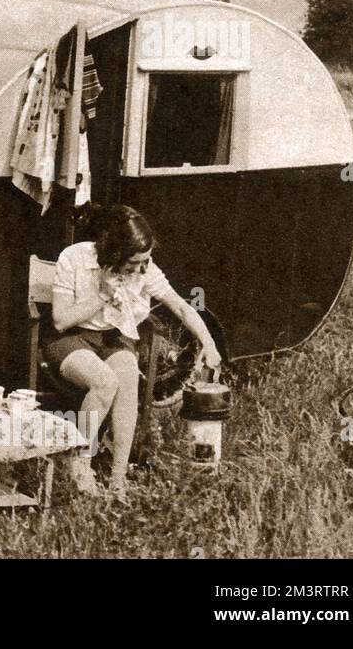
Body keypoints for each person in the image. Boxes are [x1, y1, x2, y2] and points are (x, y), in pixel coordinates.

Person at [46, 204, 221, 498]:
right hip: (71, 340)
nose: (141, 269)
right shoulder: (74, 258)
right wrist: (103, 294)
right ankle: (79, 464)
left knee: (126, 377)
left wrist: (209, 343)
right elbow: (61, 320)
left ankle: (118, 480)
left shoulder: (144, 268)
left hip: (113, 339)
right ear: (113, 254)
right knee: (104, 381)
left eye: (146, 261)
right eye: (134, 264)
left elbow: (180, 305)